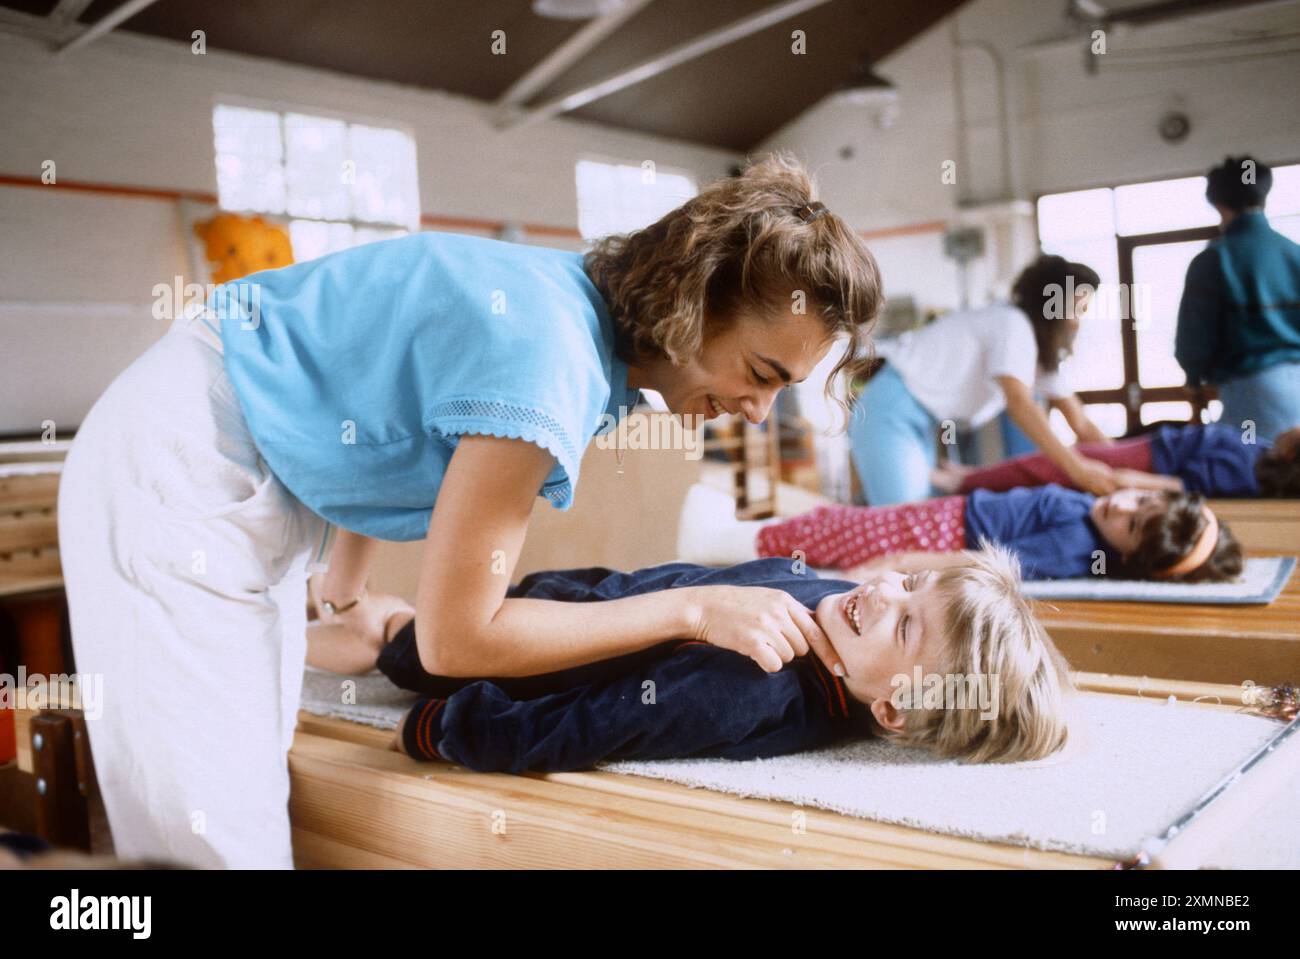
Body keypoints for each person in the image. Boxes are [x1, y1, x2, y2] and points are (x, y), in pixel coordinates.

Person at [56, 151, 883, 869]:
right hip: (188, 459)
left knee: (248, 777)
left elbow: (387, 400)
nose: (755, 413)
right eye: (765, 374)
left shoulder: (584, 329)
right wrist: (696, 606)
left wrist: (344, 581)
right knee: (215, 832)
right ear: (696, 303)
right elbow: (456, 639)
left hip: (247, 459)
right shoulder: (549, 357)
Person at [305, 548, 1076, 768]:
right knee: (392, 614)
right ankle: (347, 603)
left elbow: (591, 726)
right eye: (909, 582)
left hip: (514, 654)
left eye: (905, 628)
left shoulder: (746, 687)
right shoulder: (847, 616)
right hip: (584, 591)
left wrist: (446, 729)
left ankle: (330, 626)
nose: (880, 594)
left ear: (894, 710)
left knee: (392, 643)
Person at [848, 255, 1117, 506]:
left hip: (919, 419)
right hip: (891, 410)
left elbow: (1078, 419)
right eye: (1076, 311)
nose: (1075, 323)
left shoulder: (1035, 349)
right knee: (904, 520)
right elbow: (1020, 404)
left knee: (919, 514)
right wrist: (1078, 470)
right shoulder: (1012, 325)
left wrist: (1126, 464)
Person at [676, 482, 1242, 584]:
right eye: (1140, 499)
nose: (1122, 505)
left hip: (935, 537)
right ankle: (734, 535)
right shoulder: (1094, 507)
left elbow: (991, 561)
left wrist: (901, 562)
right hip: (940, 516)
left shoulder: (1076, 545)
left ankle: (719, 543)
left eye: (1133, 524)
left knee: (830, 536)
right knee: (830, 523)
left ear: (1126, 555)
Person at [1175, 156, 1300, 442]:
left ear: (1217, 203)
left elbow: (1193, 341)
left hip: (1256, 391)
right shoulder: (1295, 254)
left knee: (1253, 475)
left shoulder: (1214, 259)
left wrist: (1194, 382)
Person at [935, 422, 1300, 499]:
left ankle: (963, 483)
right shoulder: (1264, 449)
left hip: (1149, 462)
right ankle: (972, 474)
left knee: (1050, 466)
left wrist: (1114, 476)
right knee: (1050, 462)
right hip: (1155, 447)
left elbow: (1179, 486)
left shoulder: (1245, 474)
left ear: (1292, 453)